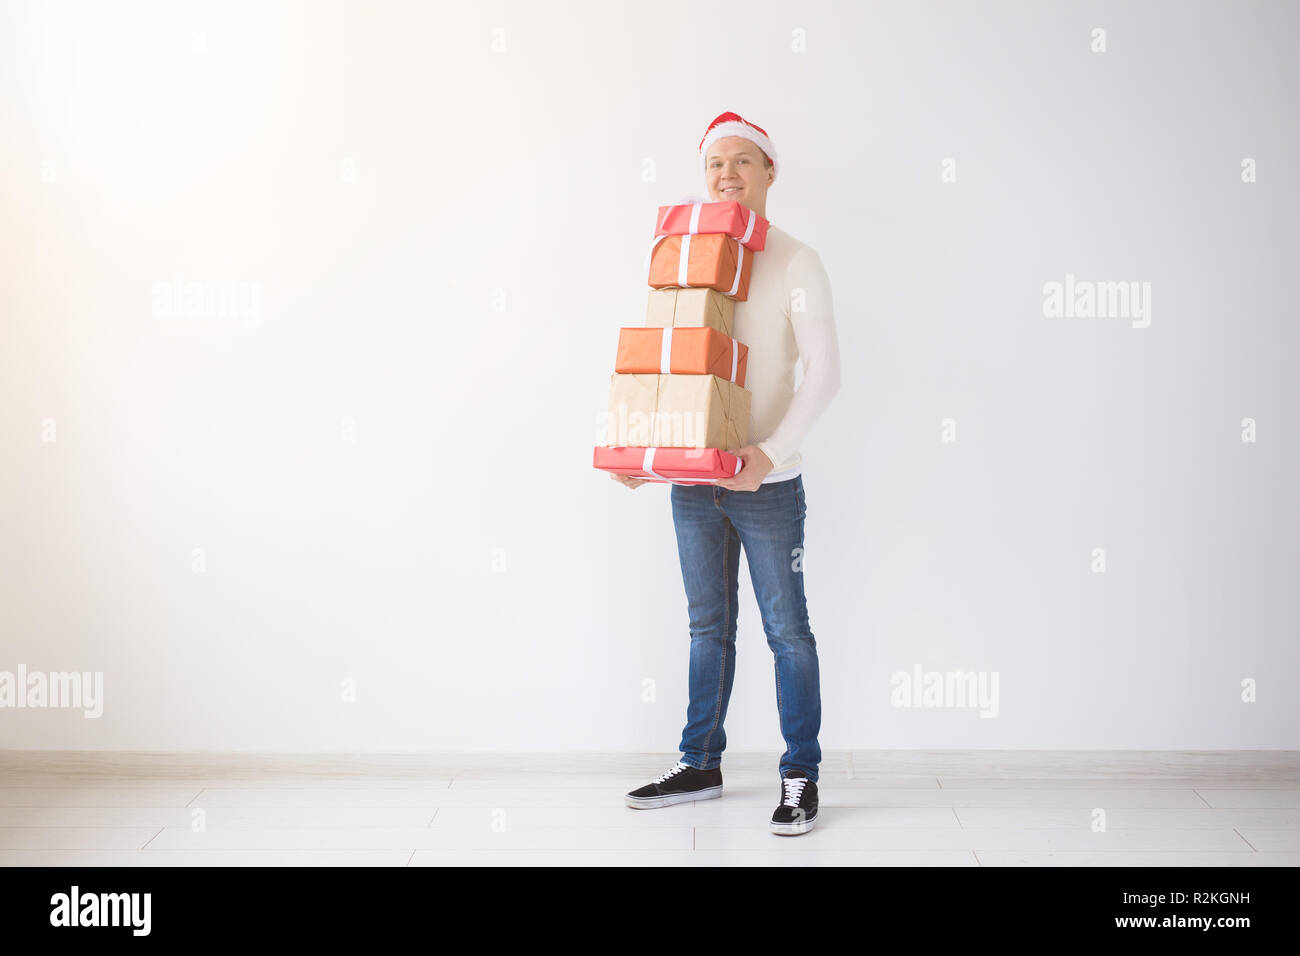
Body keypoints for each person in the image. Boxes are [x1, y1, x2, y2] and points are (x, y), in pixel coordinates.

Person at [614, 111, 842, 835]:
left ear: (770, 172)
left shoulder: (796, 260)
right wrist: (645, 451)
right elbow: (671, 368)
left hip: (768, 484)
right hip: (693, 481)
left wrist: (769, 454)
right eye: (716, 164)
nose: (728, 176)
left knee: (787, 630)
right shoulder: (686, 255)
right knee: (706, 627)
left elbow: (826, 373)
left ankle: (799, 773)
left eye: (744, 162)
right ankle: (700, 763)